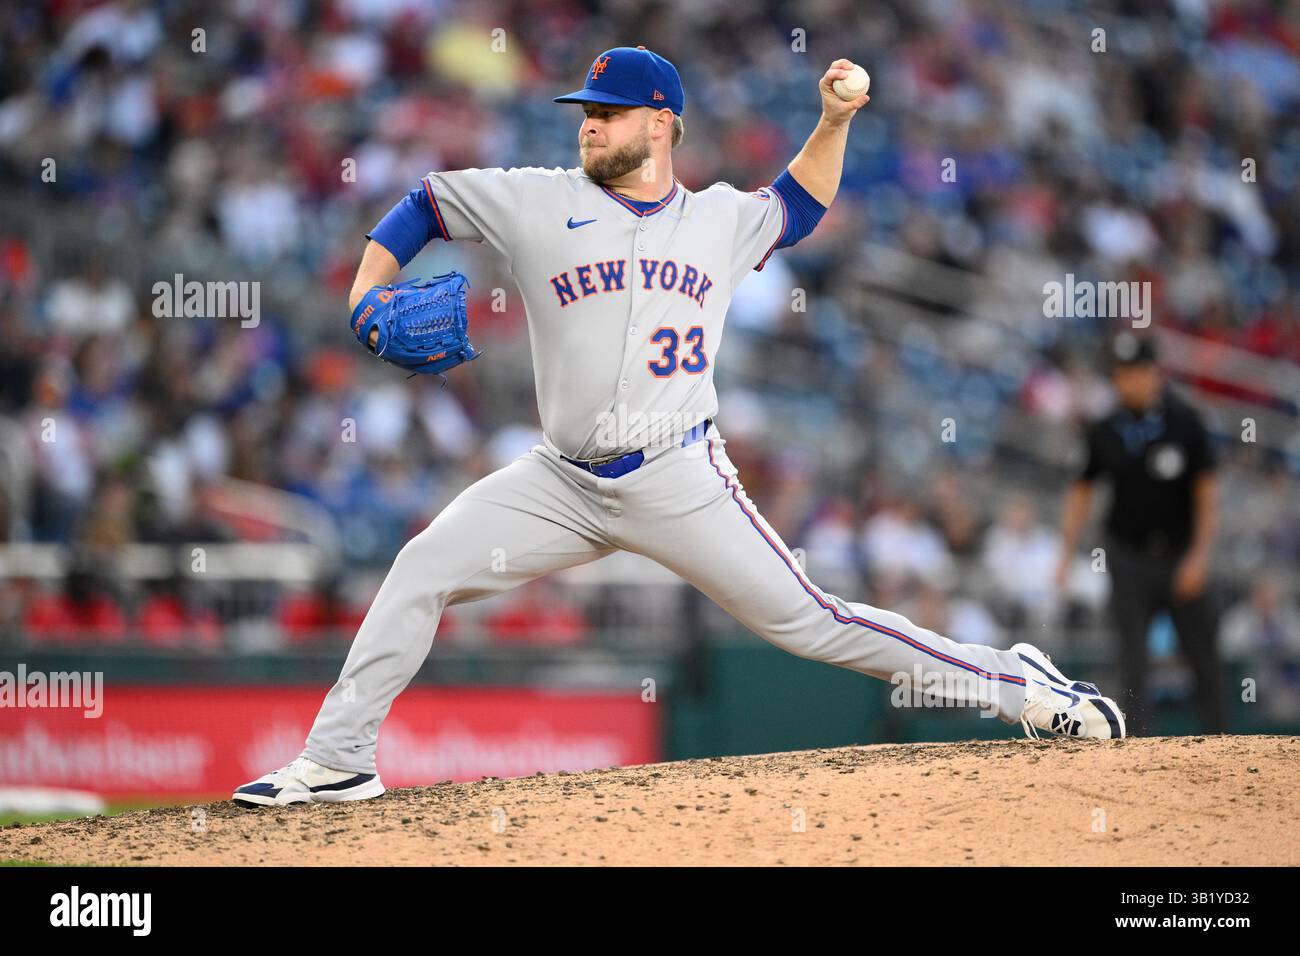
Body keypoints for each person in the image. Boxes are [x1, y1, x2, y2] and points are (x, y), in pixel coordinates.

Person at [234, 47, 1124, 807]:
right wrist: (365, 287)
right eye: (584, 112)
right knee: (423, 565)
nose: (587, 125)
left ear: (660, 123)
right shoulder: (537, 199)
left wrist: (834, 120)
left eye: (608, 113)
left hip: (679, 477)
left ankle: (1021, 685)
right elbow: (426, 203)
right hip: (561, 481)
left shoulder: (717, 221)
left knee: (812, 623)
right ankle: (343, 762)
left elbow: (799, 205)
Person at [1055, 332, 1224, 735]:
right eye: (1121, 373)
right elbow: (1081, 491)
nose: (1128, 381)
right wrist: (1064, 555)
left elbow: (1206, 495)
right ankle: (1137, 751)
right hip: (1127, 557)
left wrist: (1199, 557)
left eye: (1136, 372)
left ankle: (1225, 743)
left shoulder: (1186, 423)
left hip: (1180, 555)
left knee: (1203, 657)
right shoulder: (1104, 430)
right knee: (1131, 660)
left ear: (1155, 373)